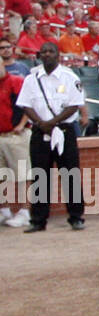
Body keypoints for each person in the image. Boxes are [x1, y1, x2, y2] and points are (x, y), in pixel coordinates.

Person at [14, 42, 84, 231]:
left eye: (50, 51)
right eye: (43, 52)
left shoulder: (69, 77)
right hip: (40, 132)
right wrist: (40, 124)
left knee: (70, 174)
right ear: (39, 55)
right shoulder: (31, 78)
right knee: (40, 176)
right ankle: (38, 220)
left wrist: (52, 123)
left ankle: (76, 217)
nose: (47, 54)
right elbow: (25, 104)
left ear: (58, 54)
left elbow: (74, 105)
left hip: (64, 131)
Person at [0, 62, 31, 227]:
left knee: (23, 175)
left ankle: (25, 212)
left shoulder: (16, 81)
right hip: (1, 136)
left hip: (15, 136)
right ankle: (4, 210)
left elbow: (27, 105)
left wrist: (21, 124)